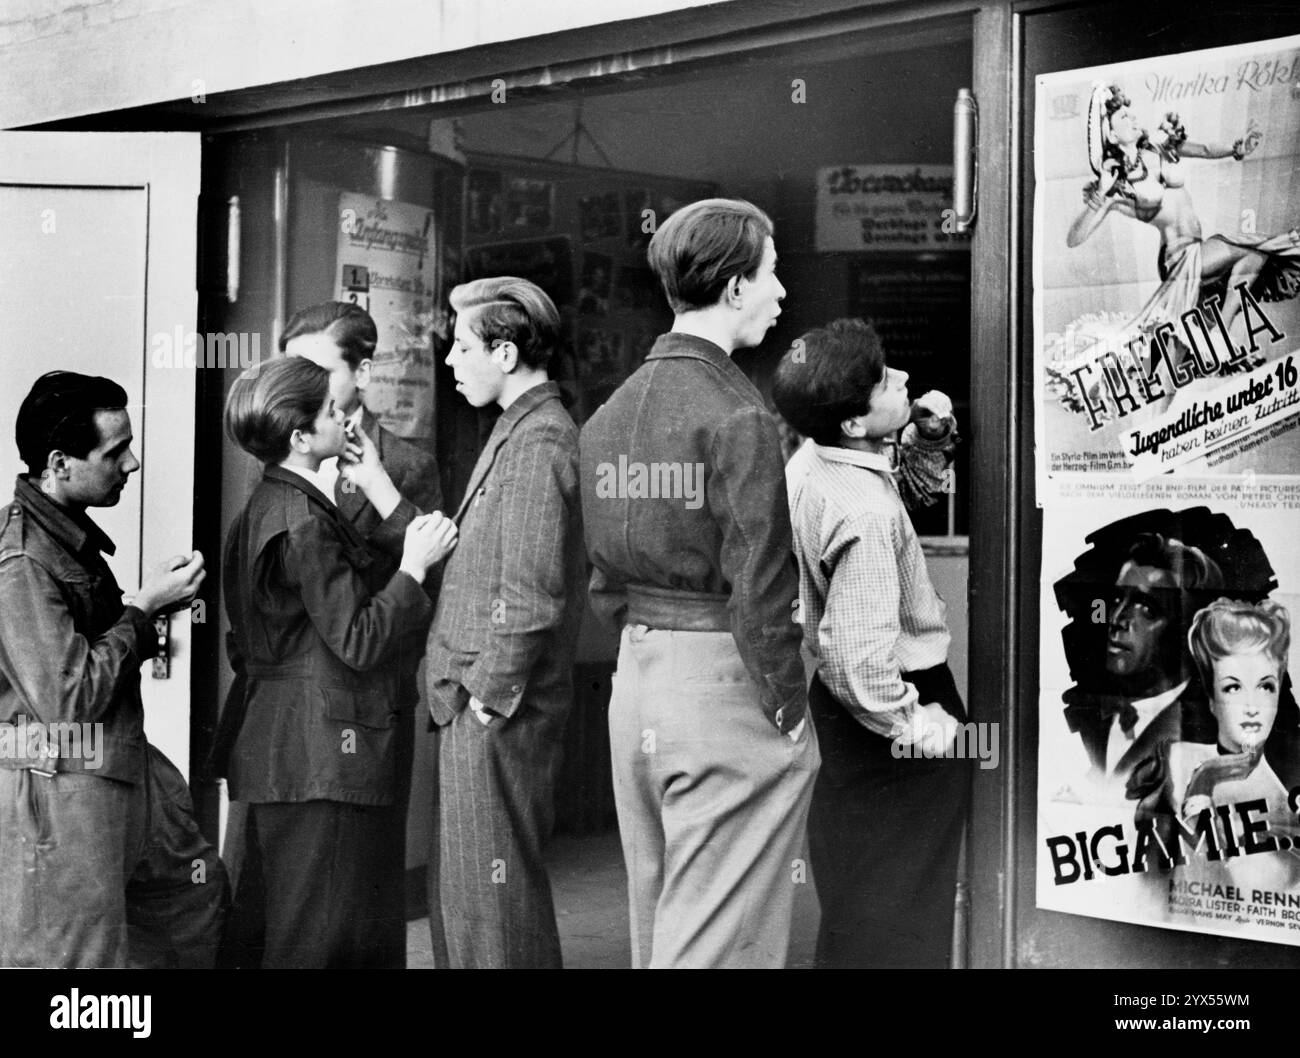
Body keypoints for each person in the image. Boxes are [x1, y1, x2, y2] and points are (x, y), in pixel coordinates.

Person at [580, 197, 820, 969]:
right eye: (773, 273)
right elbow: (762, 581)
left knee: (663, 924)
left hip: (637, 680)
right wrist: (787, 707)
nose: (781, 293)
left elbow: (603, 578)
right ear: (738, 288)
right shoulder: (738, 415)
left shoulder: (608, 416)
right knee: (720, 941)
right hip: (723, 681)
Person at [219, 356, 455, 967]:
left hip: (283, 744)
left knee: (296, 929)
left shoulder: (264, 509)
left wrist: (375, 482)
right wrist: (413, 569)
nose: (344, 415)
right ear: (300, 438)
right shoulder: (306, 523)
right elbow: (359, 639)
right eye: (330, 409)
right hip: (323, 753)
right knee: (321, 941)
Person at [0, 371, 226, 968]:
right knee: (78, 964)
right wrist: (144, 608)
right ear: (59, 462)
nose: (133, 462)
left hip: (122, 768)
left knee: (193, 895)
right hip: (63, 789)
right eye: (114, 451)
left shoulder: (63, 538)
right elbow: (67, 699)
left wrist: (143, 612)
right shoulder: (21, 559)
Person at [772, 317, 968, 969]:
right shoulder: (863, 513)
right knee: (902, 909)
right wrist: (916, 721)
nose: (905, 379)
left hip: (838, 715)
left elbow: (895, 493)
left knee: (861, 895)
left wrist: (926, 437)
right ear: (855, 422)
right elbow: (860, 664)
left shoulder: (816, 460)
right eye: (886, 379)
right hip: (889, 716)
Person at [424, 276, 585, 968]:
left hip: (493, 707)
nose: (452, 362)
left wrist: (486, 699)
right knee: (474, 897)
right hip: (478, 702)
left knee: (494, 904)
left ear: (508, 351)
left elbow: (530, 595)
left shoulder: (539, 441)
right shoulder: (521, 429)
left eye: (463, 347)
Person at [280, 300, 444, 962]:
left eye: (316, 368)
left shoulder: (406, 465)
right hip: (296, 707)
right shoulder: (281, 447)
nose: (298, 383)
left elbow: (429, 584)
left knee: (366, 890)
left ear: (364, 372)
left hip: (370, 699)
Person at [1066, 83, 1296, 355]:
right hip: (1179, 257)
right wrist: (1102, 191)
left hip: (1199, 246)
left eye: (1131, 112)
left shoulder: (1157, 147)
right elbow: (1073, 239)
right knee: (1251, 250)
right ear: (1113, 136)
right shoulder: (1119, 186)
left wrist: (1236, 149)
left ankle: (1212, 338)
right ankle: (1221, 335)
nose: (1133, 118)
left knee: (1179, 355)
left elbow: (1206, 150)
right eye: (1124, 117)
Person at [1129, 598, 1300, 893]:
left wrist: (1204, 785)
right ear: (1211, 700)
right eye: (1233, 687)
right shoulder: (1174, 758)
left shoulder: (1282, 806)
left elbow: (1229, 907)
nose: (1251, 706)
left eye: (1265, 686)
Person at [1063, 532, 1223, 787]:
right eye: (1118, 599)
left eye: (1147, 608)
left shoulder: (1211, 738)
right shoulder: (1086, 715)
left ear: (1190, 631)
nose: (1115, 619)